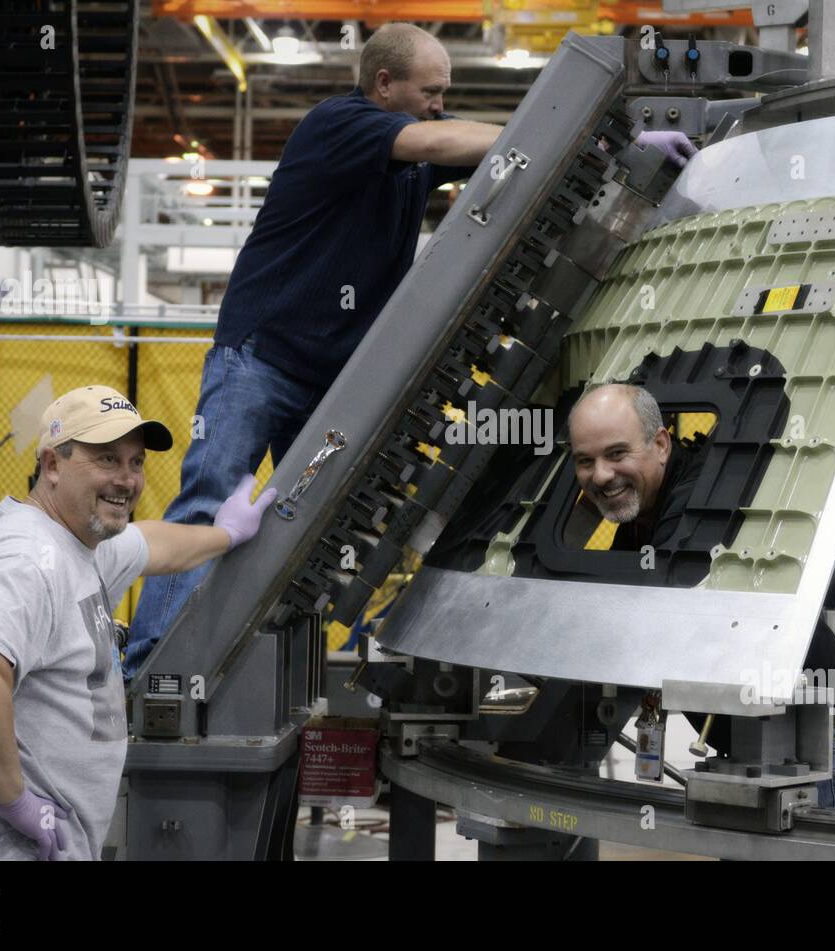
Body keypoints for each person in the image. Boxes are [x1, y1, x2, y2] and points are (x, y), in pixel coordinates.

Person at [122, 21, 697, 678]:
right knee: (209, 500)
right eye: (431, 91)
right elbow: (457, 139)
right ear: (385, 85)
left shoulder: (410, 155)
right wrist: (562, 137)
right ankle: (145, 674)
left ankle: (249, 670)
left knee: (301, 532)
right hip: (262, 359)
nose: (439, 103)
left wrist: (613, 148)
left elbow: (506, 157)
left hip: (329, 383)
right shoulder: (339, 125)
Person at [0, 385, 277, 860]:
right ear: (52, 464)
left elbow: (153, 544)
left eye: (135, 462)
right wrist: (14, 801)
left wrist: (225, 533)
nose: (127, 479)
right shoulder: (28, 557)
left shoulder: (80, 543)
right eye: (107, 460)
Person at [567, 383, 835, 810]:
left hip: (817, 751)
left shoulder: (700, 499)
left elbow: (653, 607)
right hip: (754, 751)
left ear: (661, 444)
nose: (600, 475)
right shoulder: (640, 515)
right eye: (585, 461)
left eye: (617, 454)